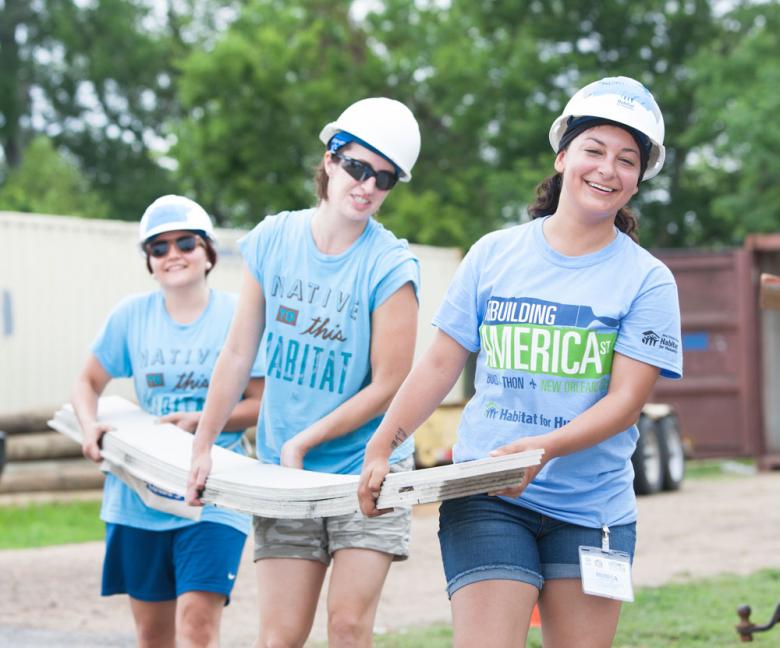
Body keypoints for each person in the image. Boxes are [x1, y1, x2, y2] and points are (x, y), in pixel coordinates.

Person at [358, 76, 683, 648]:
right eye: (594, 150)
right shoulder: (494, 254)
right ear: (562, 157)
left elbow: (625, 403)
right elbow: (438, 365)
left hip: (592, 510)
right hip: (487, 492)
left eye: (626, 160)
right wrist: (384, 444)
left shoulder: (648, 281)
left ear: (638, 179)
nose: (607, 169)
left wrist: (544, 450)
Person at [185, 97, 422, 647]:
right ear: (331, 158)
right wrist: (203, 446)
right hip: (282, 471)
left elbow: (391, 383)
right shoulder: (274, 239)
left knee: (347, 627)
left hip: (365, 471)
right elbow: (237, 353)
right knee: (280, 637)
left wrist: (305, 441)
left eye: (384, 178)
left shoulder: (391, 265)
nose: (367, 186)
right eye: (358, 167)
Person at [72, 195, 264, 648]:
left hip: (214, 492)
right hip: (140, 497)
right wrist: (89, 425)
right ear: (149, 262)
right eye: (159, 248)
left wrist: (202, 421)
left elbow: (262, 403)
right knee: (152, 635)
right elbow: (86, 381)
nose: (173, 254)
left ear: (208, 252)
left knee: (198, 626)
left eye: (186, 243)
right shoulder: (130, 316)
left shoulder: (237, 314)